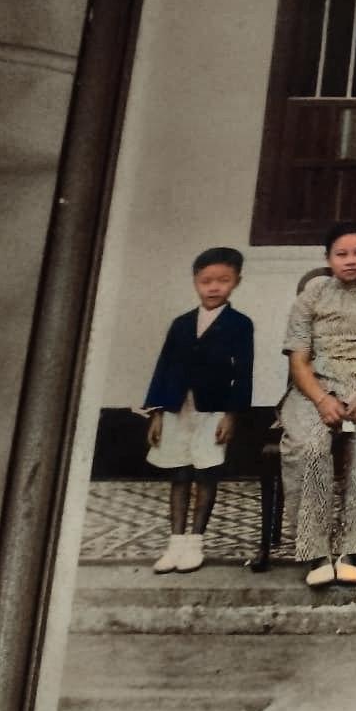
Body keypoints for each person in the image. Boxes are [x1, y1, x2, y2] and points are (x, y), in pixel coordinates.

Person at [278, 223, 356, 589]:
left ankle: (354, 549)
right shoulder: (311, 299)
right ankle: (315, 552)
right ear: (328, 257)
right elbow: (298, 360)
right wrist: (320, 398)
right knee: (310, 446)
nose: (350, 261)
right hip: (313, 387)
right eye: (341, 254)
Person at [141, 246, 254, 575]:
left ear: (236, 282)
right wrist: (157, 412)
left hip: (213, 410)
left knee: (206, 473)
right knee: (179, 473)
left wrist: (231, 414)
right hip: (178, 408)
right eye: (206, 281)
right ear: (195, 282)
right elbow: (163, 368)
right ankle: (174, 543)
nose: (214, 287)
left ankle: (195, 543)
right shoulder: (181, 324)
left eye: (223, 280)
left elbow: (243, 373)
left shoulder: (239, 325)